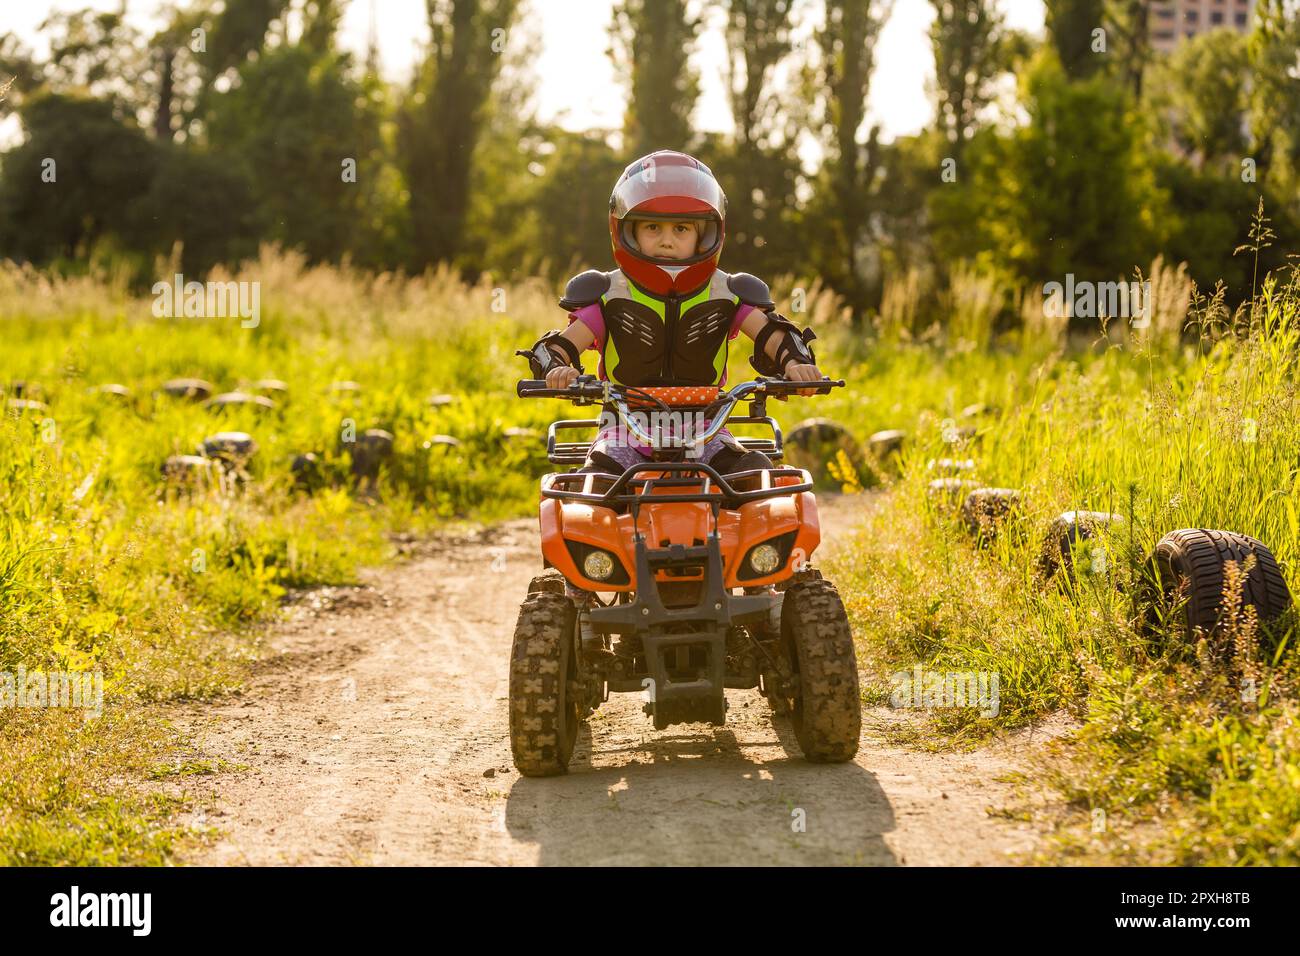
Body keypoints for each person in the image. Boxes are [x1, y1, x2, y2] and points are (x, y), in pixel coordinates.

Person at [518, 149, 824, 477]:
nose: (667, 241)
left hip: (704, 430)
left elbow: (771, 334)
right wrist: (559, 368)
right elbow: (557, 348)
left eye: (681, 229)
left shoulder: (728, 292)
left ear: (706, 234)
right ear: (627, 229)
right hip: (623, 431)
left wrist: (796, 363)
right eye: (653, 227)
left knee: (754, 475)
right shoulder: (607, 294)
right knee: (597, 483)